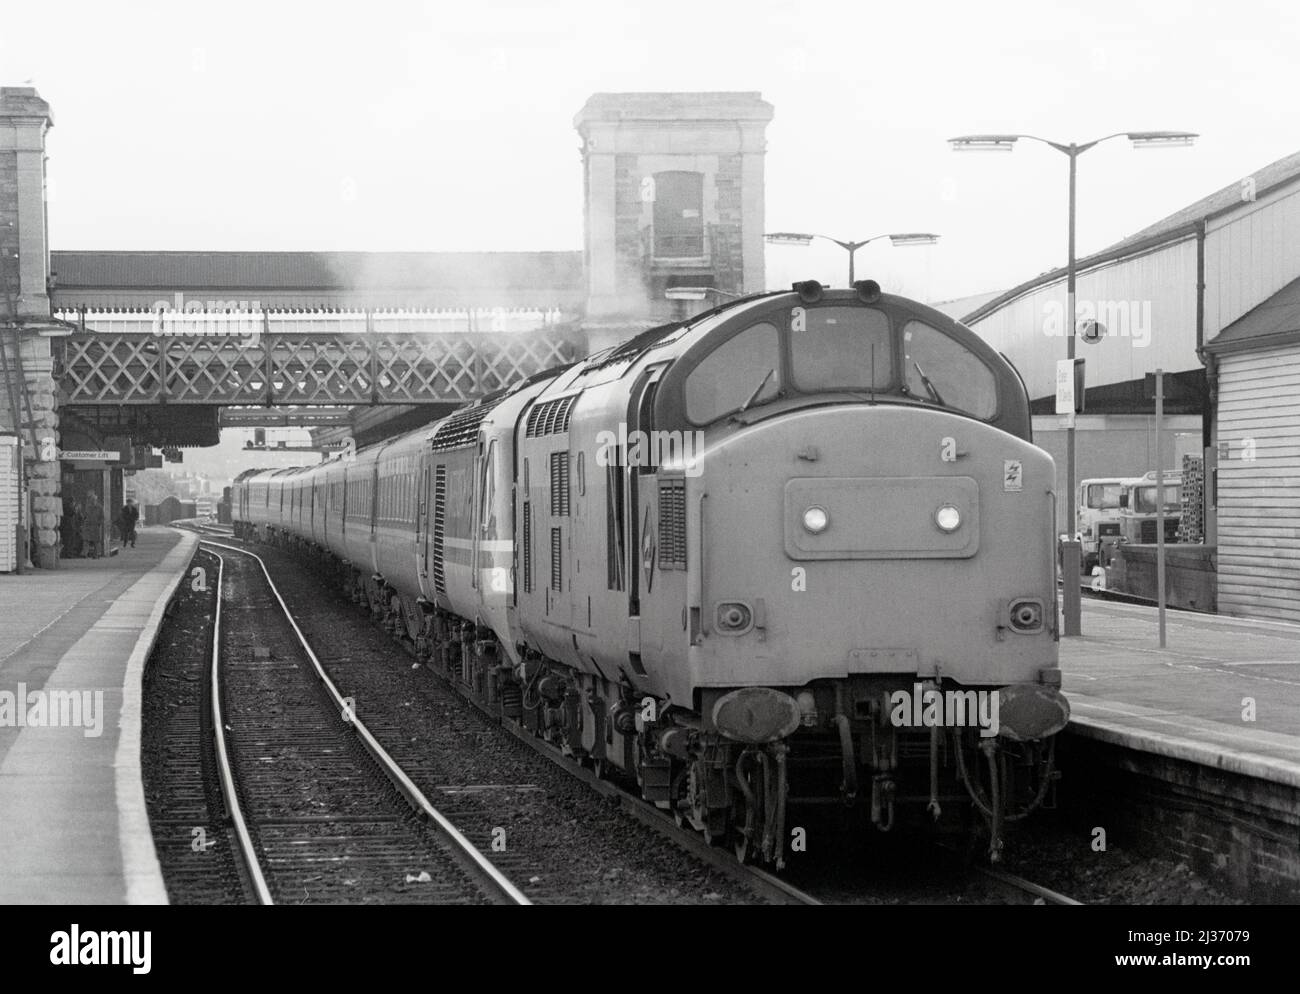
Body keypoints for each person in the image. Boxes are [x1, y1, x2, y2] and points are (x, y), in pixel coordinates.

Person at [82, 492, 104, 559]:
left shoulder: (100, 507)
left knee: (96, 541)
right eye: (91, 500)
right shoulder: (87, 507)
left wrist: (99, 523)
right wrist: (84, 523)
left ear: (96, 500)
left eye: (94, 500)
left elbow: (102, 517)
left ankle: (96, 554)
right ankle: (85, 554)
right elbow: (84, 516)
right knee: (86, 540)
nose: (92, 501)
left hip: (96, 526)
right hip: (88, 526)